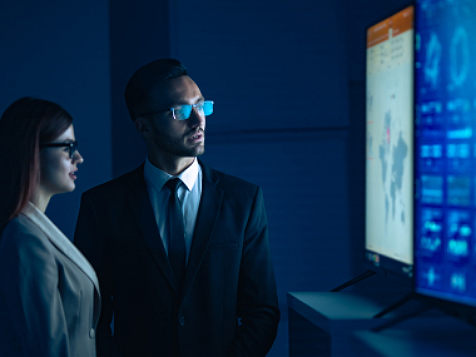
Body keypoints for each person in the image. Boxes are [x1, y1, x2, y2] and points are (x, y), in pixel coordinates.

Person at [74, 58, 280, 356]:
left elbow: (262, 311)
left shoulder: (243, 201)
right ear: (144, 127)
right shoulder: (103, 206)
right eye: (181, 111)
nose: (198, 121)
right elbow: (90, 316)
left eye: (201, 105)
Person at [0, 97, 101, 357]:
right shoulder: (24, 237)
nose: (78, 157)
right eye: (68, 147)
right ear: (32, 150)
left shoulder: (36, 228)